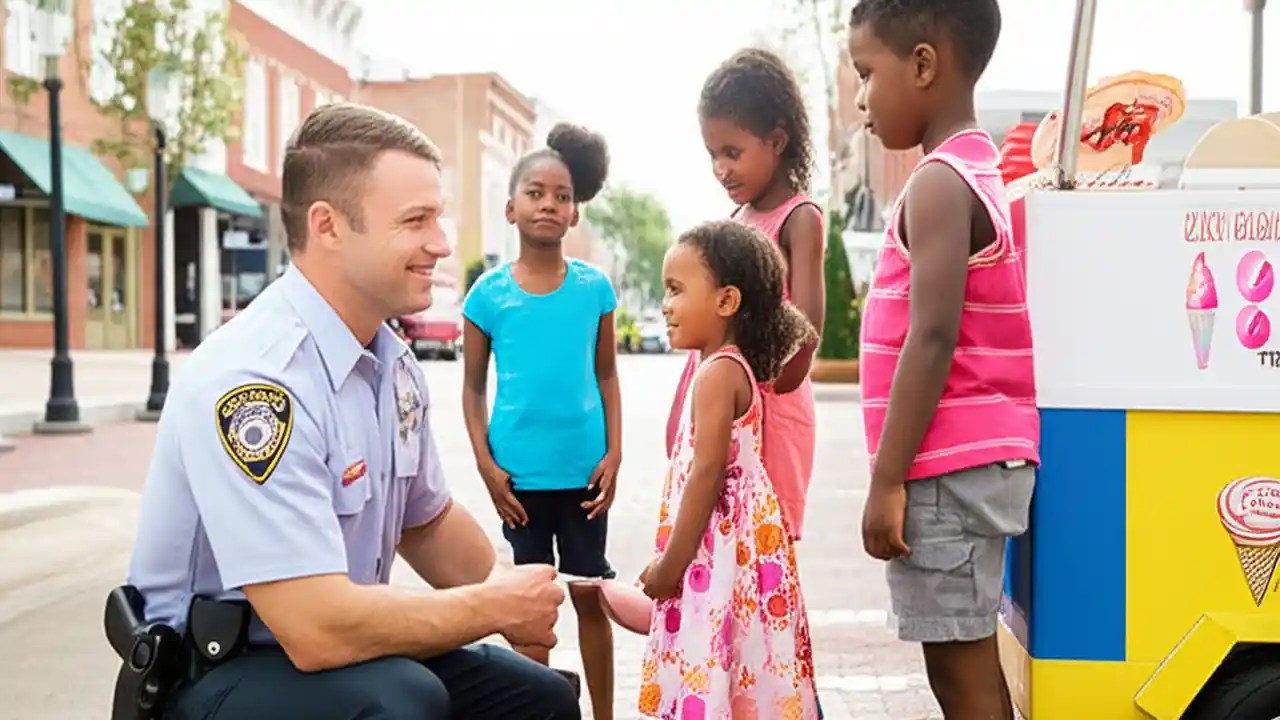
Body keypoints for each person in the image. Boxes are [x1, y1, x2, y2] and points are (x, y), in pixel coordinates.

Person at [123, 102, 579, 720]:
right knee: (400, 704)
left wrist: (521, 594)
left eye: (438, 218)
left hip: (333, 654)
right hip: (214, 674)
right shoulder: (257, 384)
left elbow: (428, 522)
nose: (441, 245)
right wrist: (490, 609)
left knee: (538, 698)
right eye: (416, 221)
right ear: (329, 226)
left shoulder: (391, 362)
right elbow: (314, 629)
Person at [848, 1, 1038, 718]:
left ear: (923, 65)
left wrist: (887, 480)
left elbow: (933, 335)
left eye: (868, 73)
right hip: (974, 465)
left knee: (958, 677)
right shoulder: (976, 168)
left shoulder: (937, 184)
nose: (863, 97)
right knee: (973, 669)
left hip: (942, 474)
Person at [461, 123, 622, 720]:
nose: (549, 204)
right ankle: (542, 709)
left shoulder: (595, 290)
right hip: (518, 481)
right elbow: (472, 389)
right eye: (536, 192)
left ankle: (603, 714)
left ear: (575, 212)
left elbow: (607, 376)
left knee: (589, 597)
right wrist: (485, 467)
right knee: (530, 607)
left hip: (583, 475)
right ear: (511, 206)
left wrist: (615, 454)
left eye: (561, 195)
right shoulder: (486, 296)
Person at [638, 219, 819, 719]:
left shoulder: (718, 373)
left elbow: (708, 471)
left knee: (709, 646)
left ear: (725, 301)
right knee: (740, 652)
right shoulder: (730, 364)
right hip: (737, 548)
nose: (665, 305)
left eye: (676, 290)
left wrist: (669, 567)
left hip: (716, 551)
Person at [665, 47, 826, 543]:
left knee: (759, 546)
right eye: (713, 154)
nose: (720, 168)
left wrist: (745, 391)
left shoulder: (800, 219)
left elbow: (805, 333)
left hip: (767, 417)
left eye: (732, 152)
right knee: (712, 544)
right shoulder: (734, 225)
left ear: (777, 140)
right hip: (721, 405)